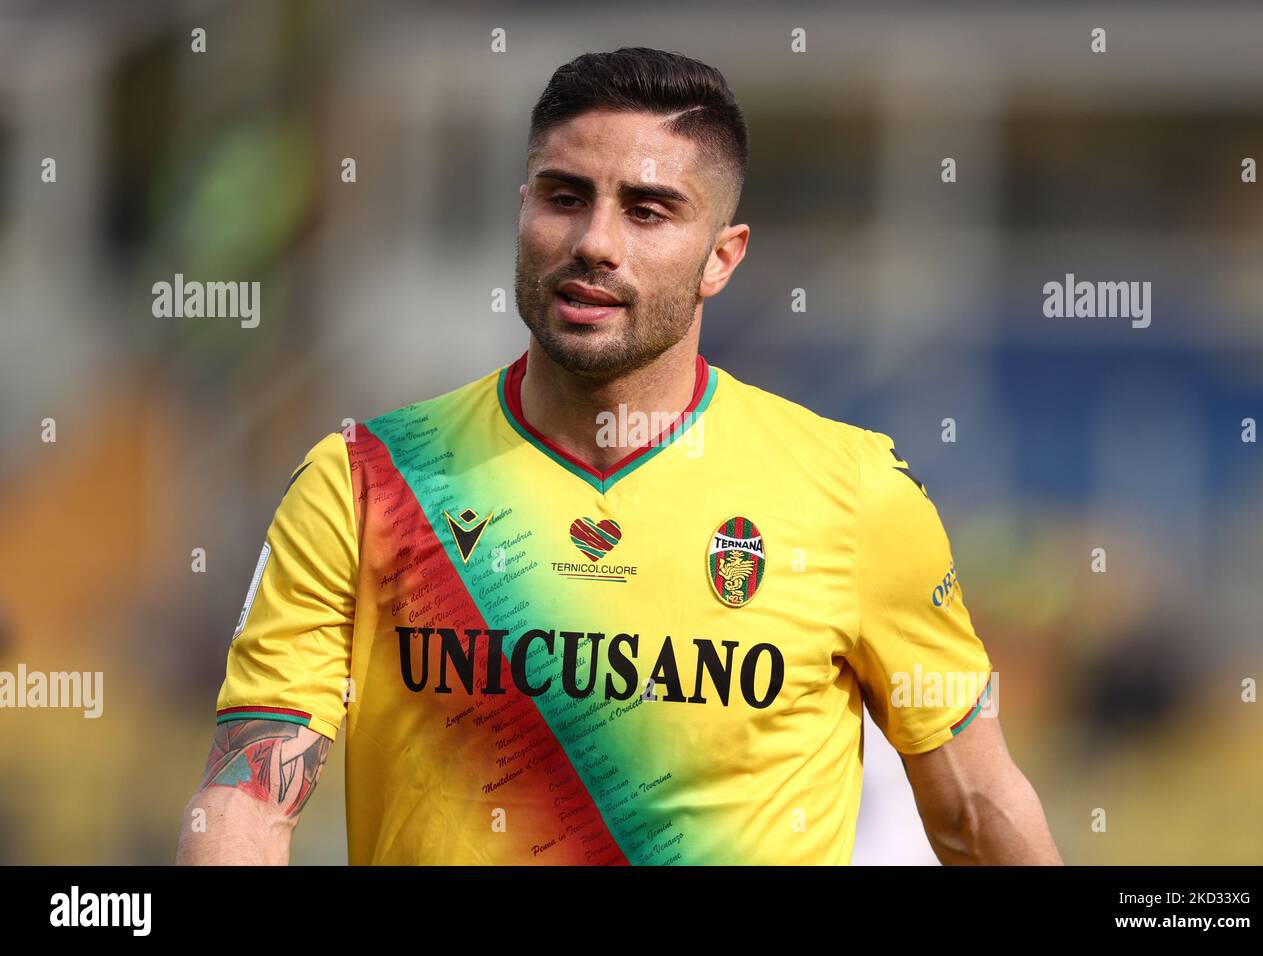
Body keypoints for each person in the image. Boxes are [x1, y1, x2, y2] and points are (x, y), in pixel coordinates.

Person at [177, 47, 1061, 865]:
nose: (594, 242)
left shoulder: (855, 496)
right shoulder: (368, 481)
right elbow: (250, 799)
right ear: (521, 210)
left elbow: (976, 809)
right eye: (563, 197)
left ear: (722, 258)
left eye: (647, 211)